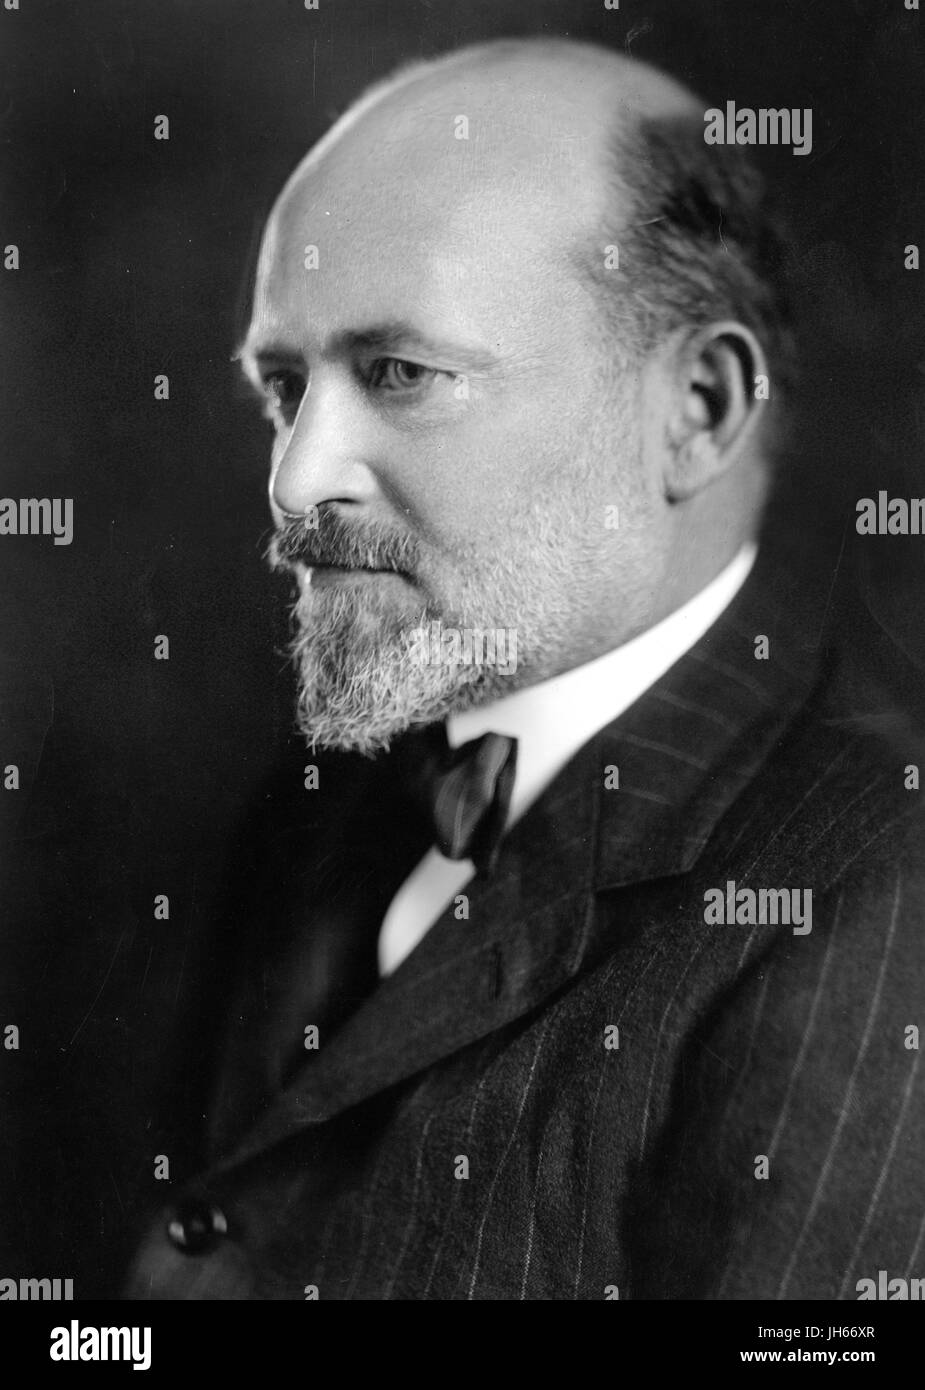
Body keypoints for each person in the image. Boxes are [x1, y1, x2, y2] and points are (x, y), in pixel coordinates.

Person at [124, 36, 925, 1300]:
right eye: (284, 388)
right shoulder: (322, 804)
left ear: (699, 410)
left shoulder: (876, 901)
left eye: (402, 374)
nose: (294, 479)